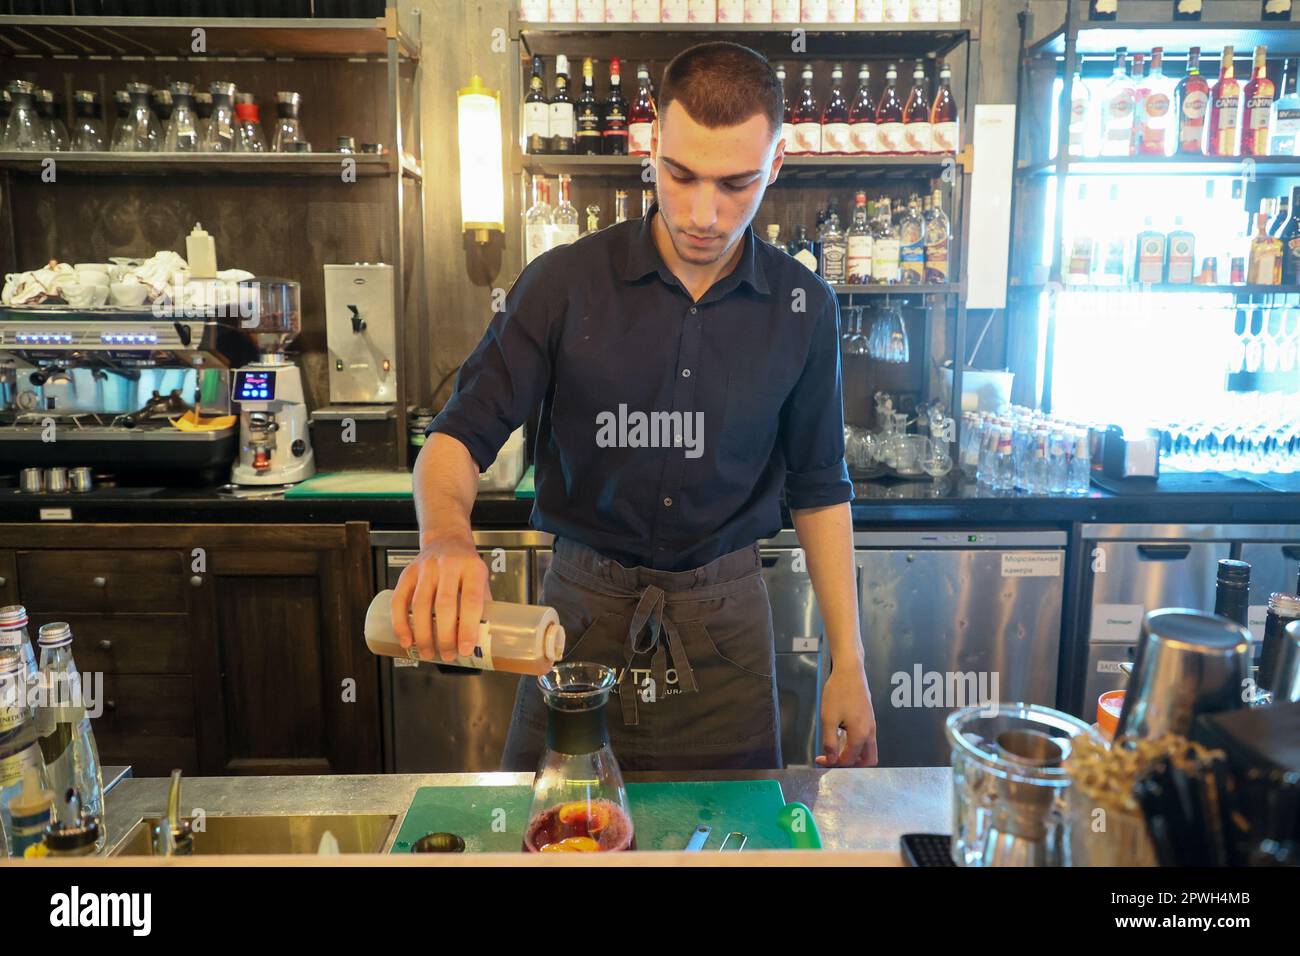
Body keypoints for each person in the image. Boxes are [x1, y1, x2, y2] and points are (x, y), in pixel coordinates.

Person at [392, 41, 877, 771]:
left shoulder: (805, 308)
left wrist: (850, 663)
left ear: (775, 166)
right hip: (577, 626)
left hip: (728, 637)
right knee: (551, 839)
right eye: (680, 175)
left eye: (736, 184)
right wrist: (446, 538)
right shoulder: (561, 285)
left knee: (732, 849)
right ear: (651, 147)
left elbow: (819, 487)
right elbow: (459, 435)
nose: (704, 214)